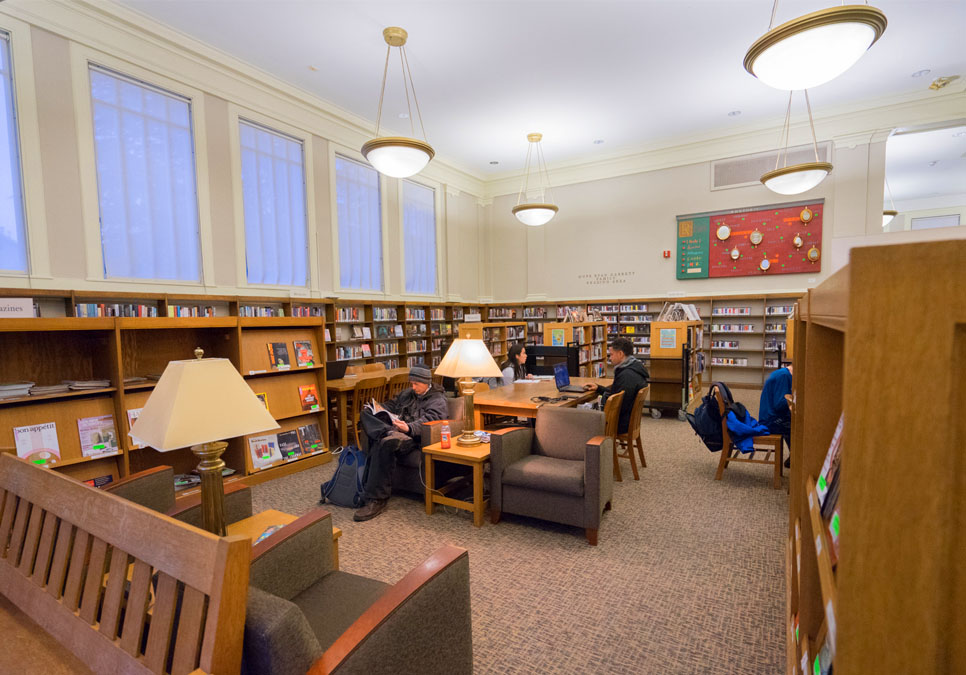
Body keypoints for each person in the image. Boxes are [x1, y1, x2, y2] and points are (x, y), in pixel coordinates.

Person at [354, 364, 449, 522]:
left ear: (426, 382)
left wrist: (408, 428)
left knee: (383, 444)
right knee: (366, 414)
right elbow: (391, 405)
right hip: (394, 431)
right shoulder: (407, 393)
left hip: (411, 438)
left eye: (416, 384)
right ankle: (385, 432)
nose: (413, 387)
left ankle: (377, 500)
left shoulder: (437, 399)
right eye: (411, 383)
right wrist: (376, 408)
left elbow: (431, 420)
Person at [584, 337, 649, 434]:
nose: (610, 358)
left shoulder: (626, 375)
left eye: (611, 354)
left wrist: (597, 408)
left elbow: (618, 404)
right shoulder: (635, 367)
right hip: (627, 418)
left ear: (620, 354)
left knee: (581, 418)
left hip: (619, 422)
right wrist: (599, 388)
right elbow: (617, 394)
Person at [759, 362, 793, 465]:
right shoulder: (784, 376)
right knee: (800, 427)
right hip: (771, 420)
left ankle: (793, 458)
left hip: (771, 416)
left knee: (793, 422)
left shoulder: (783, 373)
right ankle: (797, 459)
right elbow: (779, 404)